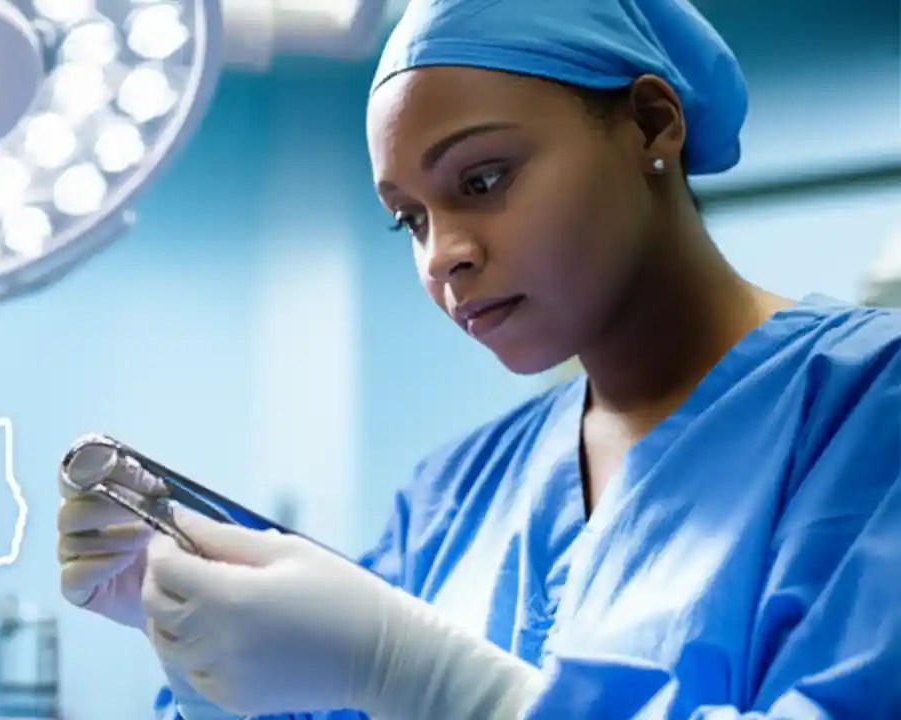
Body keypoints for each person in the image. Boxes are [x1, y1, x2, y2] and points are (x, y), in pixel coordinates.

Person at [56, 0, 901, 717]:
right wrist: (199, 636)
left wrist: (425, 679)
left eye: (483, 179)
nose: (440, 257)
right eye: (409, 219)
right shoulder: (456, 494)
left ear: (653, 122)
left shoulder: (869, 410)